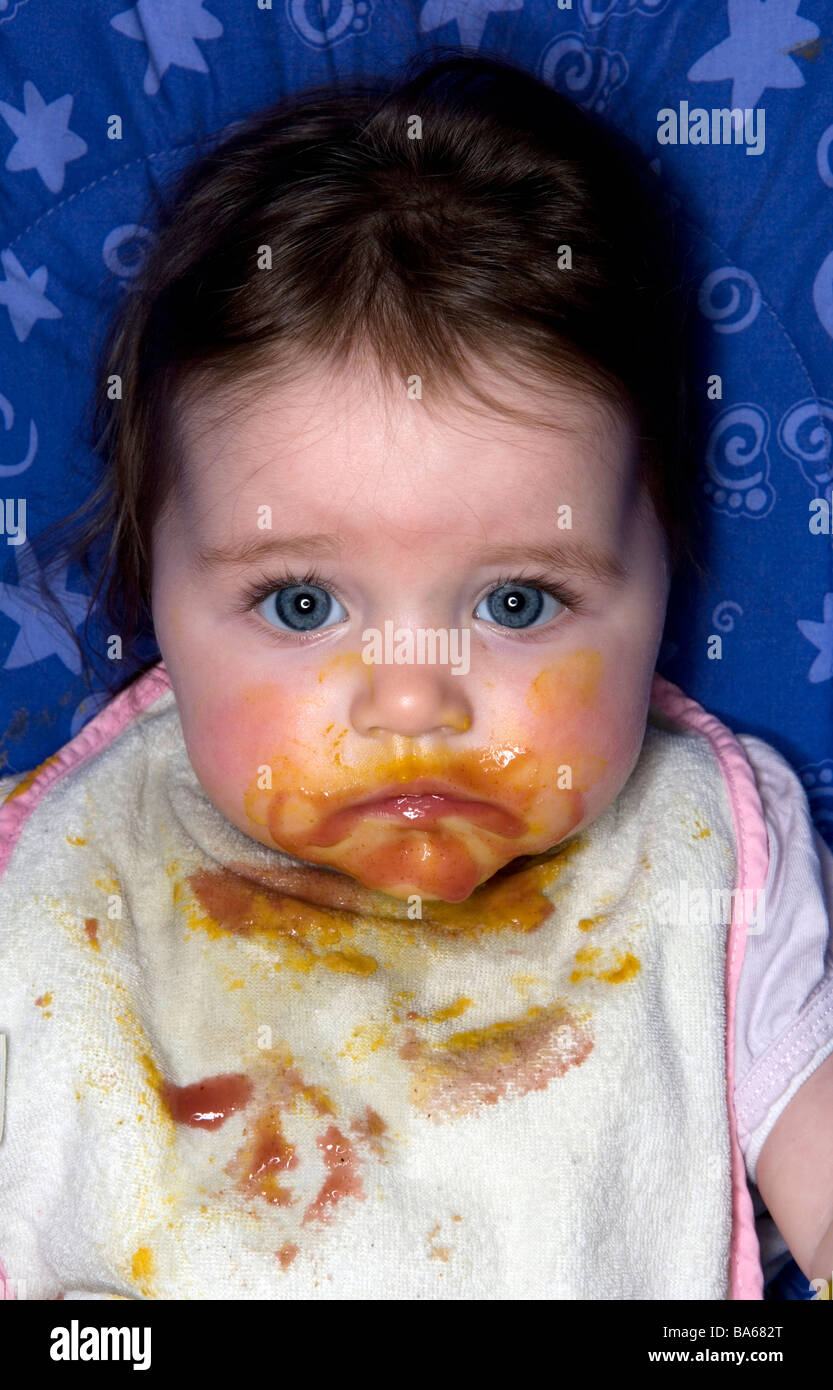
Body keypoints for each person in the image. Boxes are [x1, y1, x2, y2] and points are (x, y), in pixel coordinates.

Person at [1, 53, 831, 1300]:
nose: (409, 703)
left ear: (662, 568)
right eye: (300, 603)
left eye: (515, 602)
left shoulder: (706, 857)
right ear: (153, 589)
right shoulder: (68, 875)